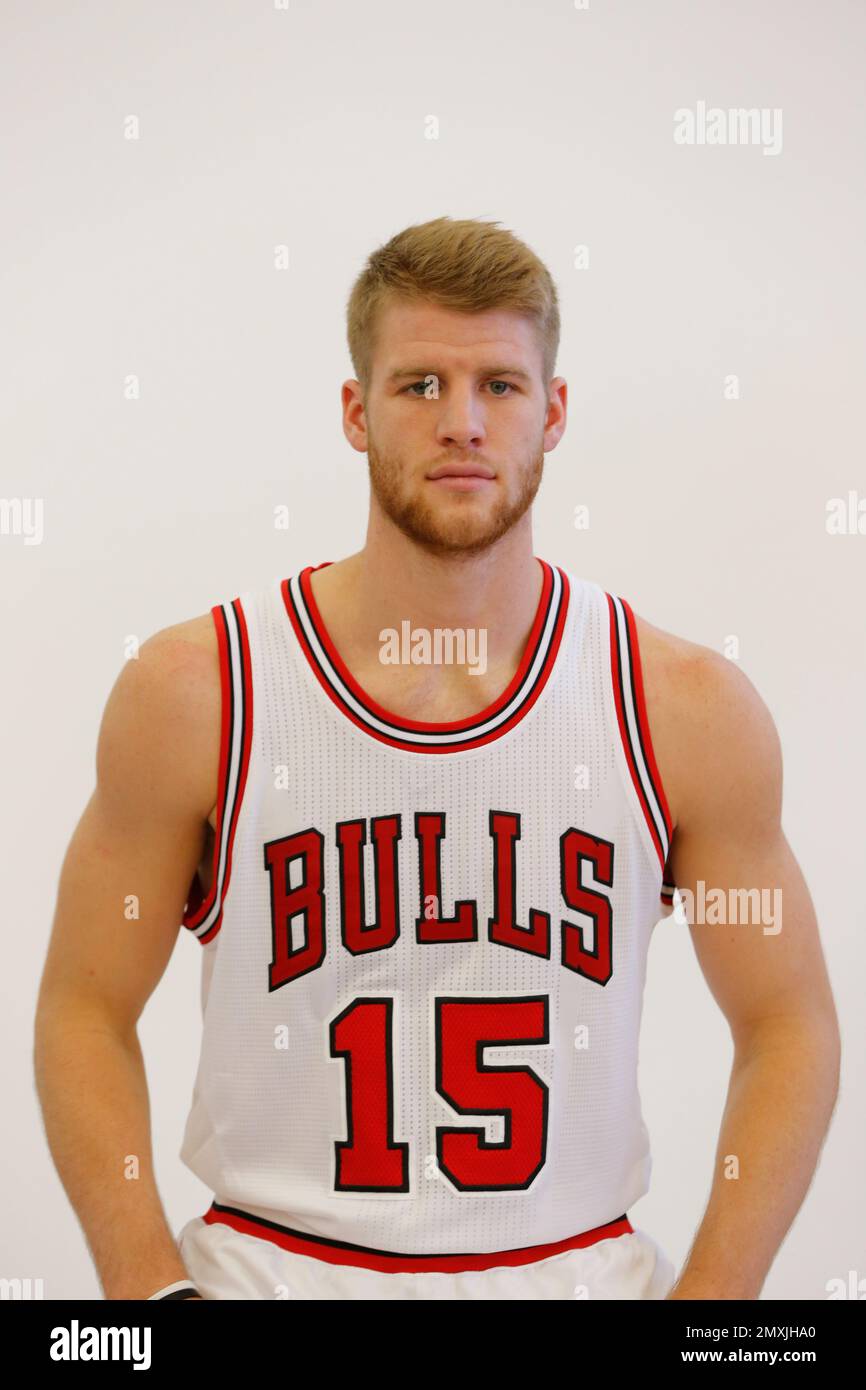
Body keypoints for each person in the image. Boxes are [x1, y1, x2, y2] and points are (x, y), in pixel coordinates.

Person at [34, 216, 840, 1300]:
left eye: (499, 386)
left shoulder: (679, 708)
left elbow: (788, 1023)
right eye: (418, 384)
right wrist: (147, 1295)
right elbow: (82, 1007)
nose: (460, 422)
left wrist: (712, 1315)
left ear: (552, 414)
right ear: (355, 412)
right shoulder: (199, 691)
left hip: (576, 1275)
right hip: (271, 1272)